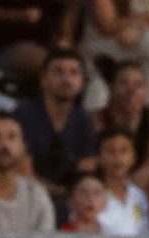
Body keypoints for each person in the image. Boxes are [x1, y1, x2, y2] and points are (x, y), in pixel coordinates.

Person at [12, 46, 95, 192]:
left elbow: (88, 166)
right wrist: (59, 191)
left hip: (71, 198)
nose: (67, 79)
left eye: (74, 73)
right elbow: (22, 171)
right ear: (43, 79)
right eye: (59, 72)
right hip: (28, 194)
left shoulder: (82, 119)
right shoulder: (24, 114)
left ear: (82, 82)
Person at [80, 0, 149, 107]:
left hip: (137, 37)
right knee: (99, 90)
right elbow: (107, 25)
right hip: (102, 44)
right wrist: (145, 18)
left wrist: (138, 25)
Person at [94, 61, 149, 181]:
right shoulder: (98, 118)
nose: (131, 90)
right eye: (124, 83)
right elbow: (101, 163)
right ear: (111, 88)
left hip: (142, 180)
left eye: (138, 84)